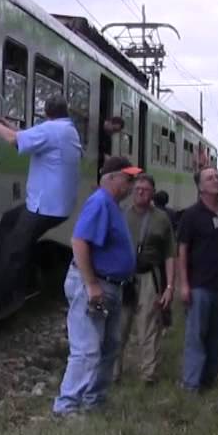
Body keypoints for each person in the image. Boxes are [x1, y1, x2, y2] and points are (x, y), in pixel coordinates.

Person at [0, 95, 83, 320]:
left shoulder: (52, 130)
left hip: (45, 206)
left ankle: (0, 302)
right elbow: (26, 137)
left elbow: (15, 141)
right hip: (53, 205)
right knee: (8, 222)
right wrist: (11, 127)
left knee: (14, 249)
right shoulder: (67, 130)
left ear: (47, 112)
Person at [53, 156, 142, 415]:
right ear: (112, 178)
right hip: (94, 285)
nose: (132, 184)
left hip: (112, 286)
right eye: (128, 178)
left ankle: (94, 401)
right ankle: (67, 407)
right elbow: (79, 242)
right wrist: (91, 284)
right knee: (87, 349)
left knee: (110, 346)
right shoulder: (100, 203)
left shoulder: (112, 205)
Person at [177, 166, 218, 392]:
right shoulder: (191, 215)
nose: (216, 180)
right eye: (210, 178)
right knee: (196, 335)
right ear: (200, 187)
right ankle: (191, 383)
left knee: (217, 335)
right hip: (199, 286)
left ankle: (210, 377)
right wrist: (184, 284)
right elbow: (182, 249)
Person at [116, 173, 176, 384]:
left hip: (150, 276)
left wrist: (169, 286)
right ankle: (113, 372)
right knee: (119, 326)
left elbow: (170, 254)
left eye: (145, 189)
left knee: (149, 327)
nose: (140, 192)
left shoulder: (161, 219)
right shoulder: (121, 215)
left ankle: (149, 375)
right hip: (123, 277)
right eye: (137, 189)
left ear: (152, 193)